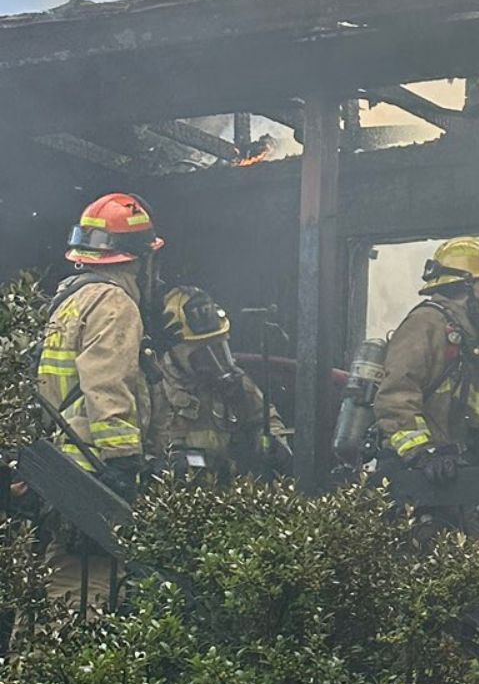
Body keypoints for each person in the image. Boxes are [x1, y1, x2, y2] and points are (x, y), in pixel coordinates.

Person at [35, 192, 164, 612]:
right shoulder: (114, 303)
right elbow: (107, 388)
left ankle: (35, 664)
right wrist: (123, 463)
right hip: (93, 474)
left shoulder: (68, 301)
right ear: (140, 258)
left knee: (58, 581)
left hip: (59, 469)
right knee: (87, 593)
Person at [372, 236, 479, 485]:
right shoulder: (426, 324)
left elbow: (469, 424)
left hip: (448, 471)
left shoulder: (472, 339)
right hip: (412, 473)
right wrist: (422, 453)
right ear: (469, 288)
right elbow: (394, 399)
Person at [148, 284, 291, 480]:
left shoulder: (236, 384)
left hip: (225, 496)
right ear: (175, 351)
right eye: (202, 353)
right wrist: (157, 465)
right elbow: (134, 447)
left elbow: (266, 420)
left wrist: (274, 444)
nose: (214, 361)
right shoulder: (153, 386)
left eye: (218, 348)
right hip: (169, 497)